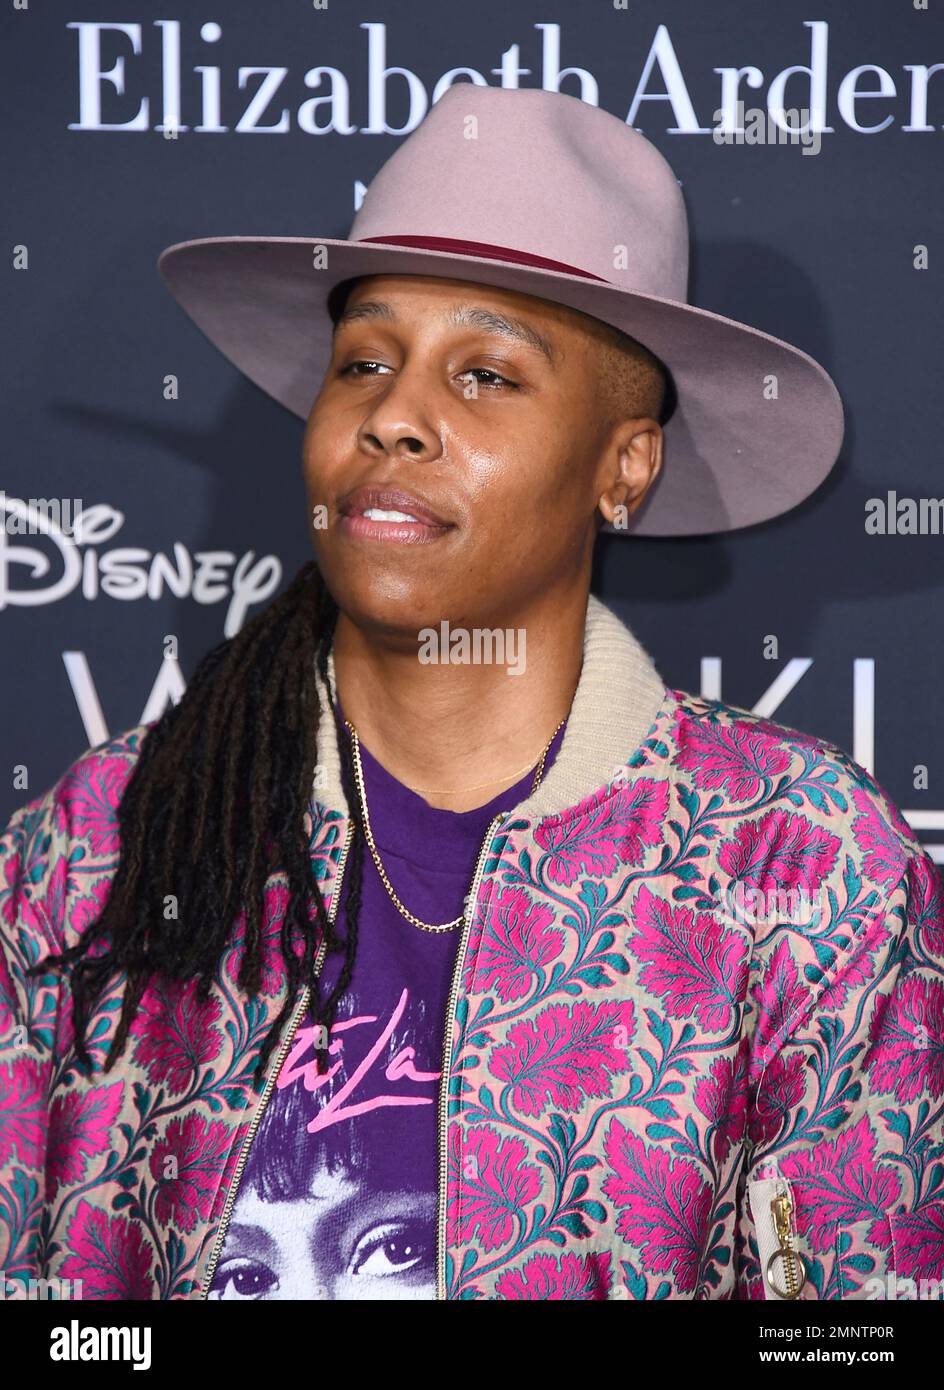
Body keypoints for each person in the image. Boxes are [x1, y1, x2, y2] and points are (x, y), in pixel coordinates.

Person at [1, 84, 942, 1304]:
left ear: (623, 464)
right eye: (364, 362)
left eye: (486, 375)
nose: (394, 416)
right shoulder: (98, 844)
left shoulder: (801, 866)